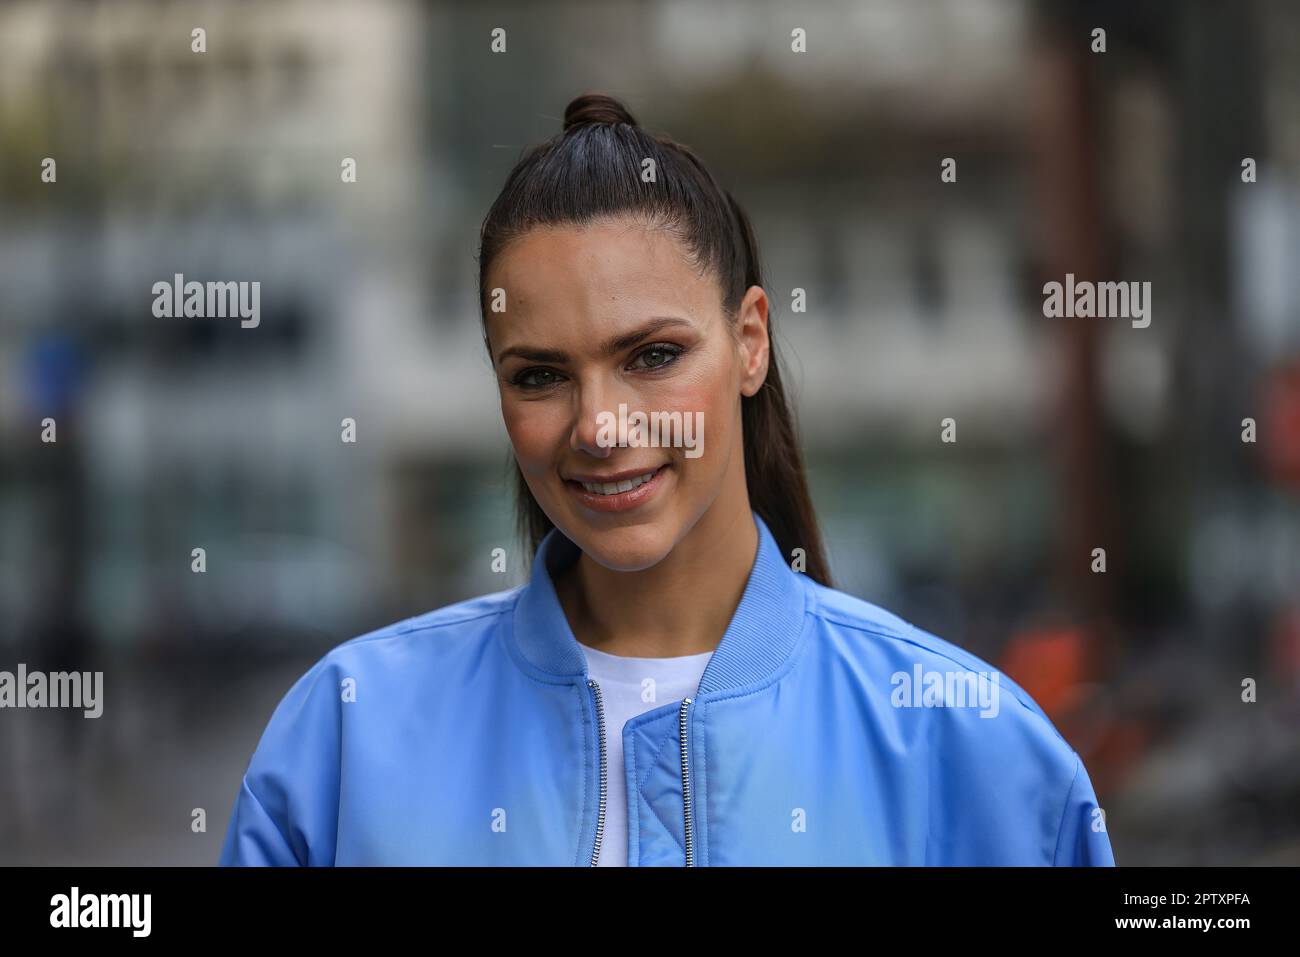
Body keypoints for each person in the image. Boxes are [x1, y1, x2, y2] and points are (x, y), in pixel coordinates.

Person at [218, 92, 1115, 866]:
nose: (601, 427)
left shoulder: (967, 744)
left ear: (750, 341)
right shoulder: (350, 736)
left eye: (652, 354)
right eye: (539, 374)